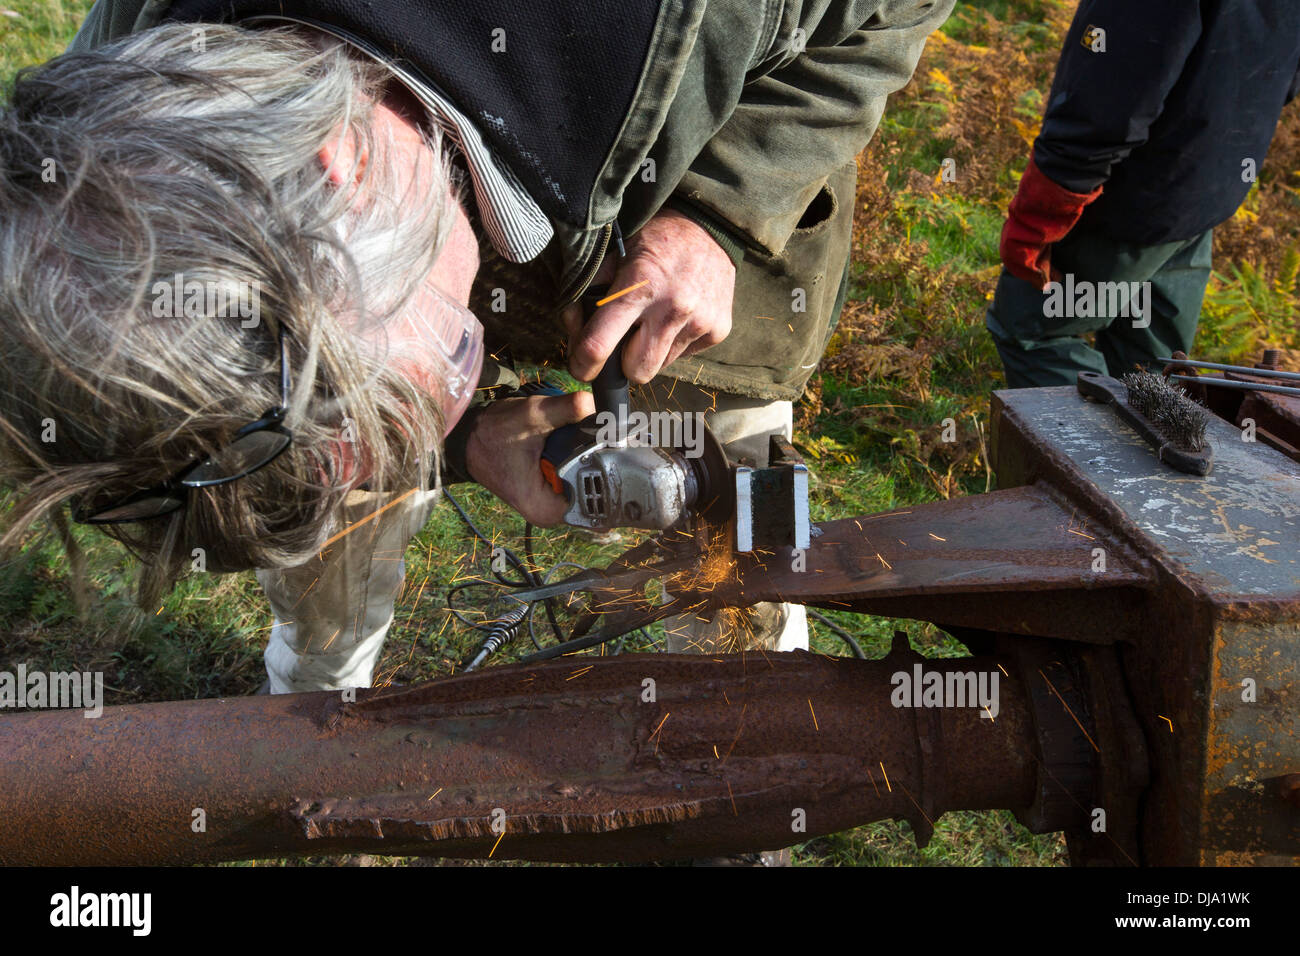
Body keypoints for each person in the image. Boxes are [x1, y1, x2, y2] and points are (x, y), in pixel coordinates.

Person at [0, 0, 952, 694]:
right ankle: (316, 709)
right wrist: (449, 441)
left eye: (396, 408)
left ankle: (761, 736)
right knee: (333, 511)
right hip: (418, 229)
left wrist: (724, 211)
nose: (418, 433)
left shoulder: (706, 14)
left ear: (340, 170)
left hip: (685, 252)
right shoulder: (114, 115)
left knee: (731, 514)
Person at [986, 0, 1300, 388]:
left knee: (1033, 333)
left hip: (1125, 200)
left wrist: (1045, 208)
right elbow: (1282, 72)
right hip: (1203, 195)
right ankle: (1162, 446)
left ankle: (1091, 451)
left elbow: (1108, 91)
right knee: (1153, 364)